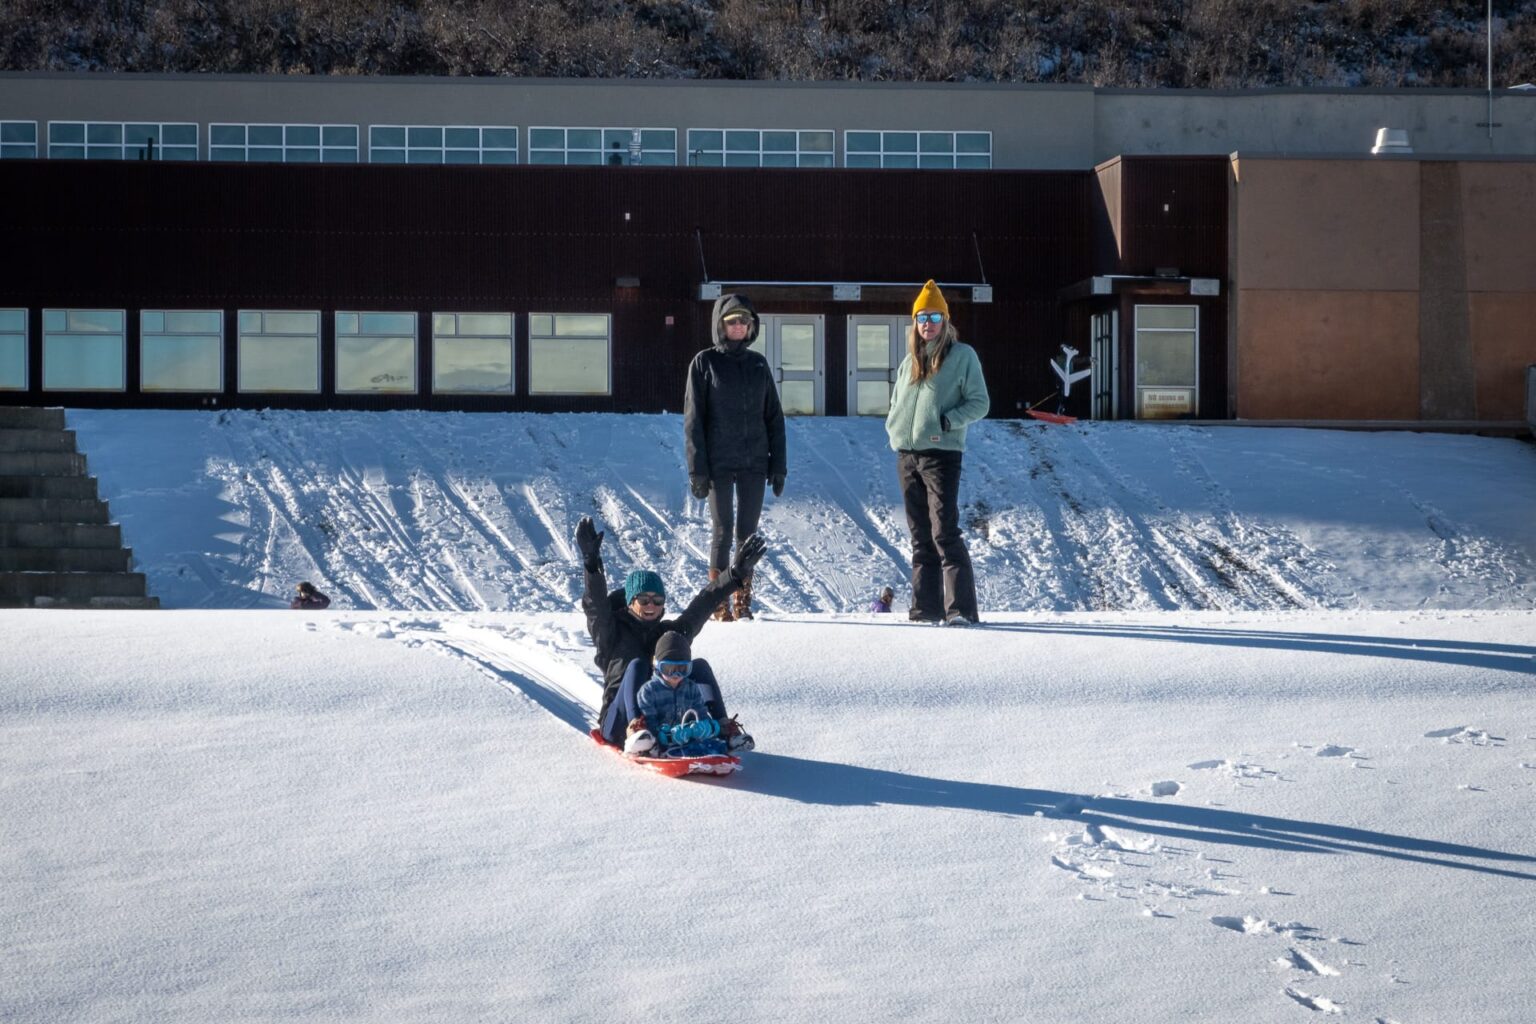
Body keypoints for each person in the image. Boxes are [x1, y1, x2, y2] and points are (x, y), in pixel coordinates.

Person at [576, 515, 765, 744]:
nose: (651, 606)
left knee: (698, 666)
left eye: (657, 600)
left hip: (663, 722)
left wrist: (734, 574)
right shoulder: (611, 631)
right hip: (618, 724)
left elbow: (702, 605)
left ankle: (725, 730)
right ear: (630, 602)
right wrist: (591, 564)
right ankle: (638, 729)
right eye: (644, 600)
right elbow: (596, 607)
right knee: (638, 665)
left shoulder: (667, 635)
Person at [884, 280, 990, 626]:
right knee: (919, 536)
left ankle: (960, 610)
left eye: (933, 316)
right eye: (921, 317)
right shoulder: (909, 361)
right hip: (908, 455)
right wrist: (894, 429)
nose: (927, 323)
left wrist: (948, 421)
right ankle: (925, 610)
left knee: (944, 531)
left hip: (941, 454)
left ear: (945, 320)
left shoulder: (962, 356)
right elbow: (898, 402)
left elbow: (980, 402)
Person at [683, 293, 787, 622]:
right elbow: (693, 421)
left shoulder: (758, 365)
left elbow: (774, 416)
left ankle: (743, 601)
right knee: (722, 530)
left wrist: (778, 465)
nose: (739, 326)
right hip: (718, 464)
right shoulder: (704, 363)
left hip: (755, 462)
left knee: (747, 533)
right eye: (732, 321)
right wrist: (698, 470)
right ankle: (718, 603)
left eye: (744, 321)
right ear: (720, 325)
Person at [624, 631, 754, 757]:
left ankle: (728, 744)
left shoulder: (691, 688)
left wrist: (705, 727)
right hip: (661, 738)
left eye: (682, 669)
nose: (676, 675)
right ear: (657, 666)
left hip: (685, 738)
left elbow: (701, 713)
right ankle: (647, 749)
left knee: (708, 742)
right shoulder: (649, 691)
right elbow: (650, 721)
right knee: (651, 741)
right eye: (669, 669)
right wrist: (664, 735)